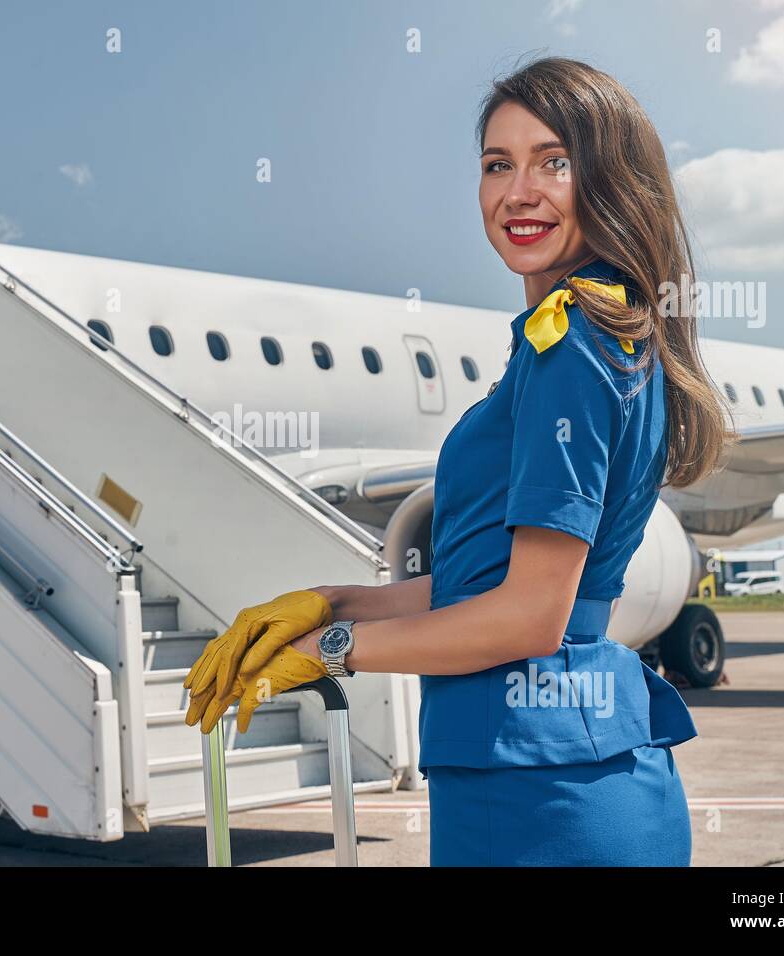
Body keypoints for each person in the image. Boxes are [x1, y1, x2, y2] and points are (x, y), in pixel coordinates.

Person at [184, 57, 733, 866]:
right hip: (566, 779)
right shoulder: (597, 338)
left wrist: (327, 654)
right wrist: (335, 603)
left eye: (554, 161)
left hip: (538, 805)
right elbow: (503, 588)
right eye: (495, 165)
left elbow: (527, 618)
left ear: (611, 180)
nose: (519, 190)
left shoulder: (570, 347)